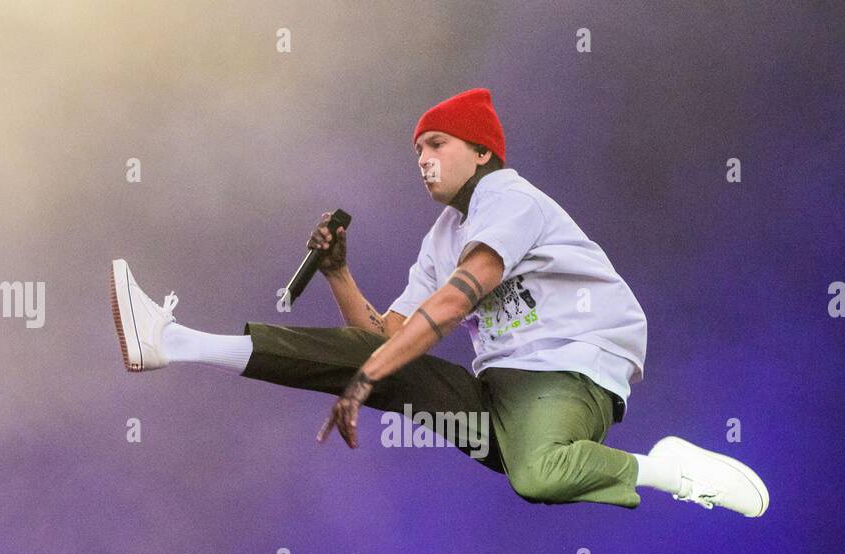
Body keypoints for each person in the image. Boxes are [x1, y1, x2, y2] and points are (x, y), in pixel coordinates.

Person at [109, 87, 769, 516]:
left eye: (436, 145)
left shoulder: (509, 198)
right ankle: (177, 344)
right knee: (382, 360)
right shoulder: (441, 236)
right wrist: (339, 275)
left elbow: (457, 301)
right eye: (416, 150)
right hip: (501, 397)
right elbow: (384, 334)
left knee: (537, 475)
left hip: (572, 371)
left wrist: (368, 376)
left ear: (482, 151)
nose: (422, 160)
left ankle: (669, 470)